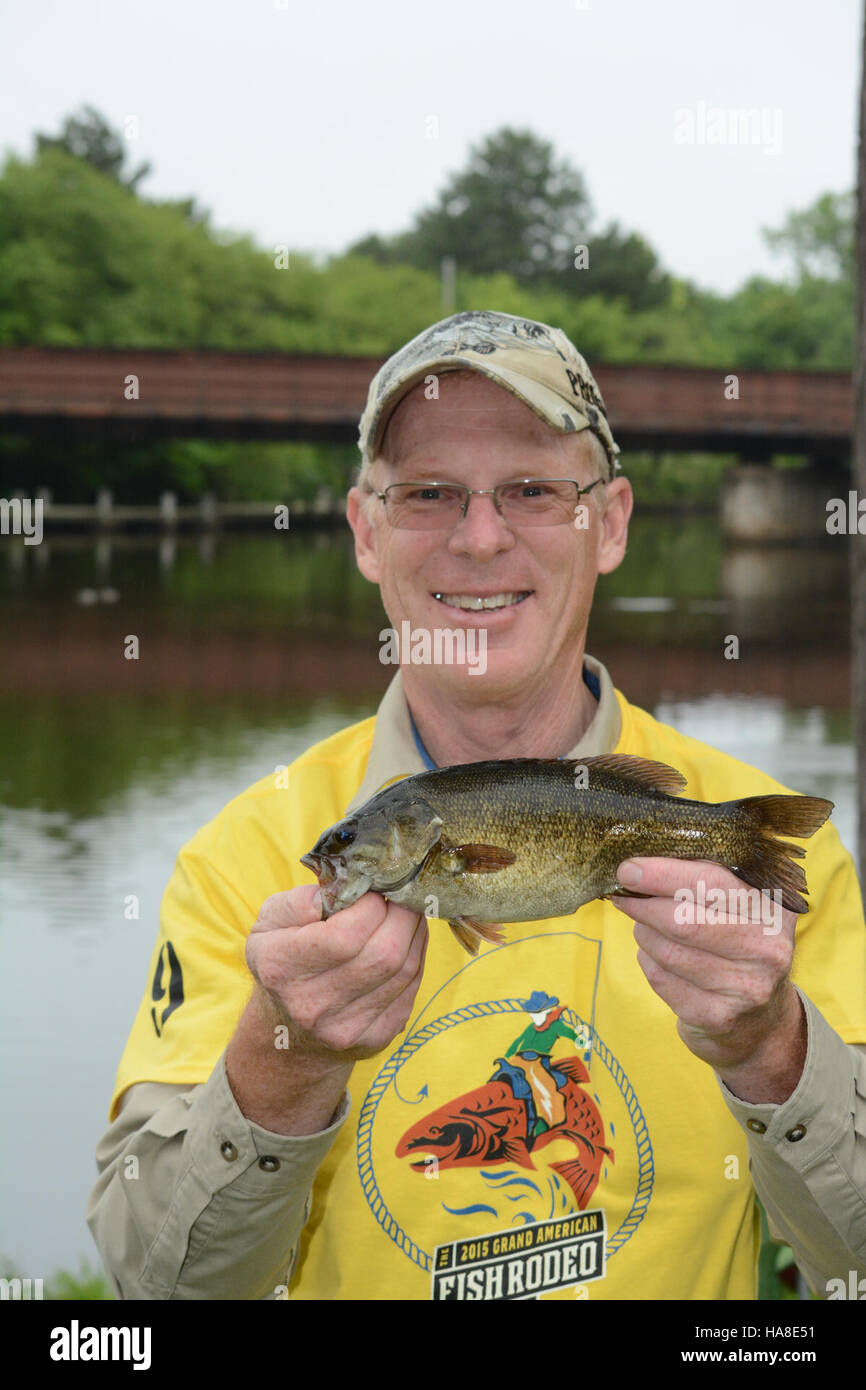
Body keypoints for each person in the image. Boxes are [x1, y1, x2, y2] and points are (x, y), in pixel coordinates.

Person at [87, 310, 866, 1301]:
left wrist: (772, 1052)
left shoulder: (761, 855)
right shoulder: (241, 858)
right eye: (427, 494)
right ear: (366, 532)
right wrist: (277, 1066)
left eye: (534, 491)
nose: (480, 537)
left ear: (612, 521)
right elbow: (156, 1295)